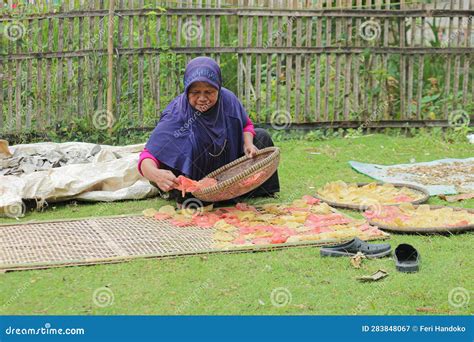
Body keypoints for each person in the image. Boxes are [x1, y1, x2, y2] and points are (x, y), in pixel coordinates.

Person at [138, 56, 279, 204]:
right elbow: (148, 156)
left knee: (262, 137)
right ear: (187, 91)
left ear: (218, 88)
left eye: (209, 92)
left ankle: (256, 192)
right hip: (196, 176)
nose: (202, 98)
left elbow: (246, 124)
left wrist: (248, 144)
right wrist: (156, 175)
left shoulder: (228, 100)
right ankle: (197, 195)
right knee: (175, 158)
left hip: (227, 165)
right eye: (195, 92)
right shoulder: (176, 114)